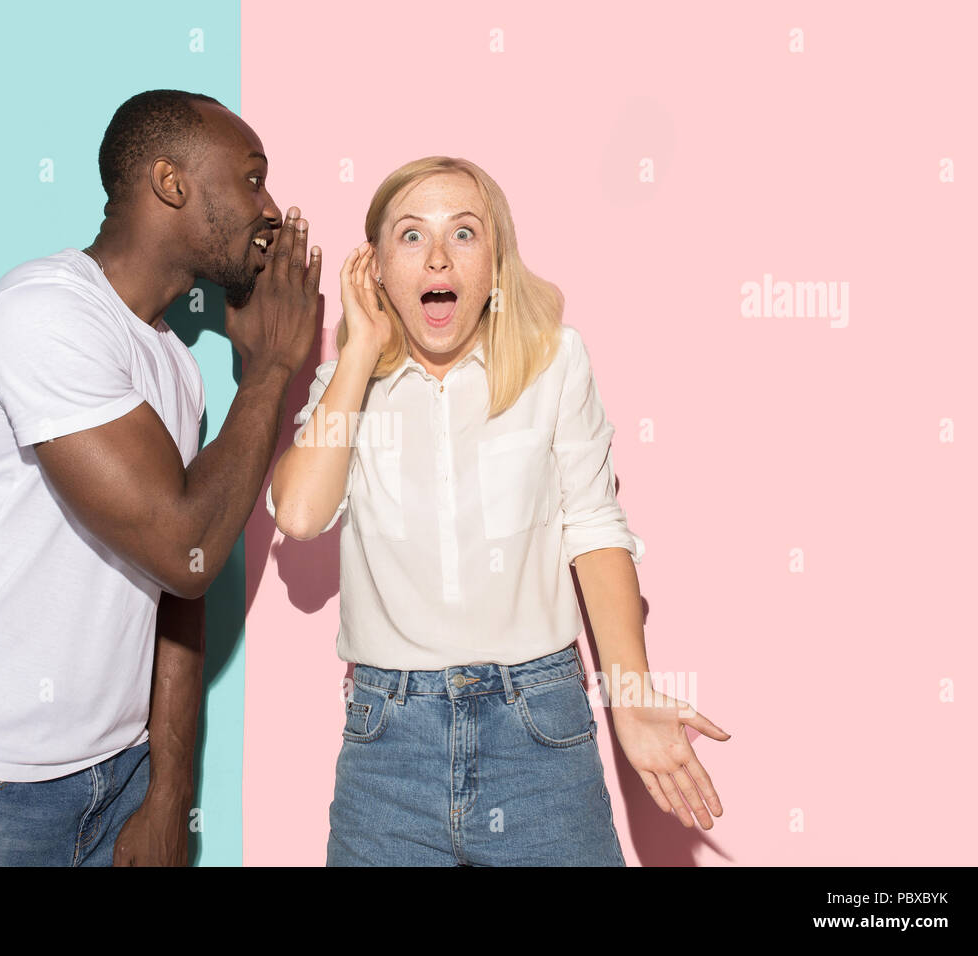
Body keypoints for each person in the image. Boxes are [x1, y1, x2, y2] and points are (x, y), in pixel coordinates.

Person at [0, 89, 321, 866]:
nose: (270, 209)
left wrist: (168, 792)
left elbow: (183, 585)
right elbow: (185, 544)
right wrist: (271, 370)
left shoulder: (175, 365)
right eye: (251, 178)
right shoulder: (46, 314)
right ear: (171, 183)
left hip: (115, 783)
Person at [267, 156, 730, 866]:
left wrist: (630, 697)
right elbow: (298, 513)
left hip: (538, 728)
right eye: (412, 236)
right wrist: (357, 354)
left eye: (465, 233)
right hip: (387, 739)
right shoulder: (347, 387)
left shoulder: (555, 363)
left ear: (496, 262)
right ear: (377, 268)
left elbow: (595, 529)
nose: (439, 256)